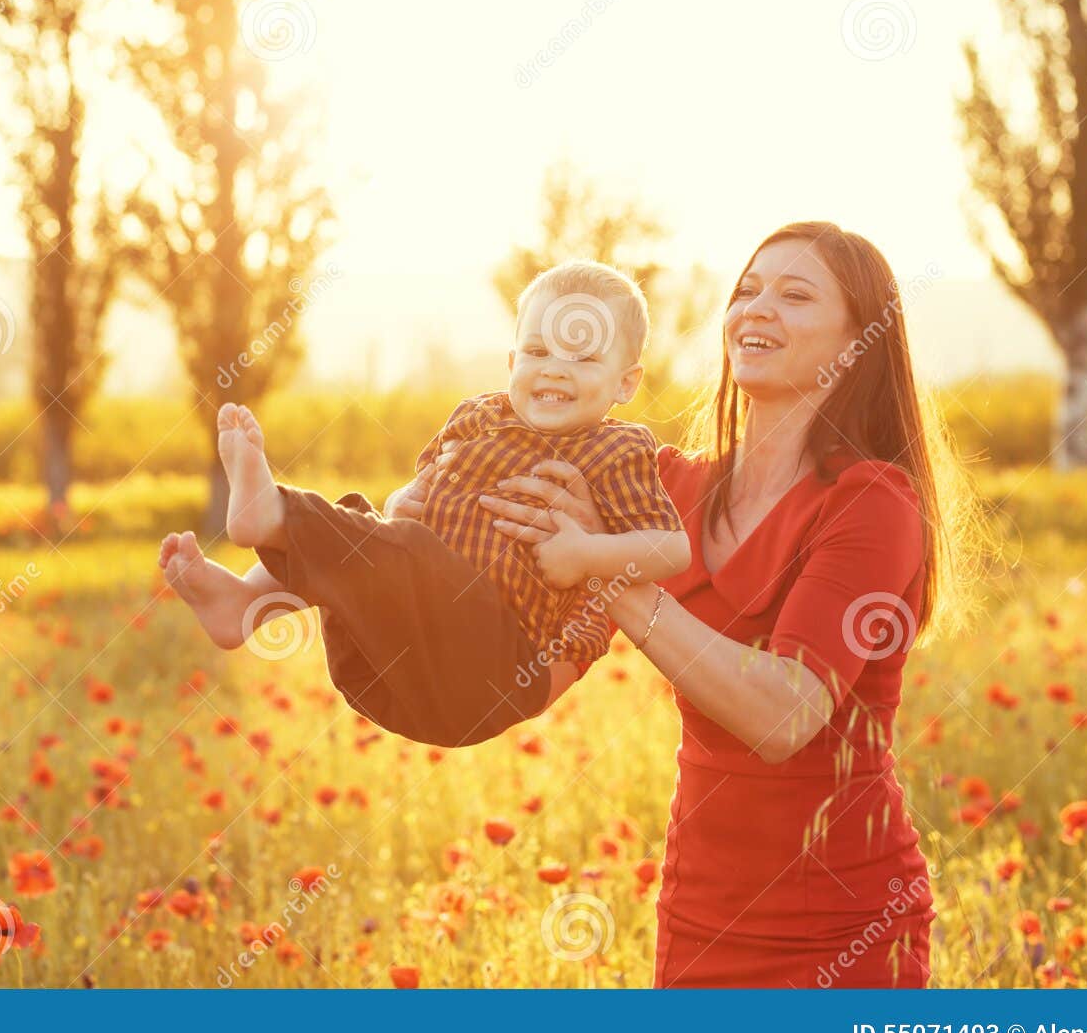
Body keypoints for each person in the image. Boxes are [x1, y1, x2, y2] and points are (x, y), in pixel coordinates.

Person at [406, 222, 988, 987]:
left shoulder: (872, 500)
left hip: (843, 924)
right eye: (746, 290)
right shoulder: (664, 486)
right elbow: (532, 619)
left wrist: (611, 574)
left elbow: (784, 713)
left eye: (794, 294)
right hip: (700, 912)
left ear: (859, 341)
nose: (757, 308)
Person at [158, 259, 691, 747]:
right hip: (384, 669)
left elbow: (671, 550)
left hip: (493, 672)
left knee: (400, 545)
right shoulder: (477, 415)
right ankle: (246, 606)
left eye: (583, 357)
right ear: (510, 360)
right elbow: (406, 514)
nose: (554, 369)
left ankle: (275, 514)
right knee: (362, 520)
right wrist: (399, 505)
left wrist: (586, 556)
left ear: (626, 382)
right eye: (537, 351)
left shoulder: (617, 451)